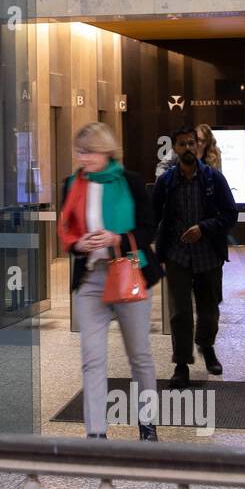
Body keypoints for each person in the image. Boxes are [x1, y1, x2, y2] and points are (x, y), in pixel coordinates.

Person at [58, 123, 163, 441]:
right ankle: (96, 434)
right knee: (92, 358)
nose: (82, 158)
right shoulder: (72, 185)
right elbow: (67, 232)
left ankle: (147, 425)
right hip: (92, 278)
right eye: (78, 152)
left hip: (129, 273)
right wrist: (79, 244)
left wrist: (117, 238)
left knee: (139, 355)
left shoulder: (129, 182)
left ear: (105, 151)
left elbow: (149, 228)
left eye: (87, 152)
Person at [151, 125, 239, 390]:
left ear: (198, 146)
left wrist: (204, 228)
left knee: (209, 310)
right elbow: (154, 215)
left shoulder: (213, 179)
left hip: (208, 255)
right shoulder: (166, 183)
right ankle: (181, 364)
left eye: (192, 143)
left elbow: (230, 214)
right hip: (177, 256)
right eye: (182, 145)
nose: (188, 148)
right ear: (175, 149)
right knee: (179, 312)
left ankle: (207, 346)